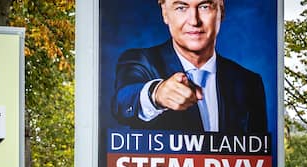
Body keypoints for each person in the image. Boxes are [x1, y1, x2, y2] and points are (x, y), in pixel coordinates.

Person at [111, 0, 267, 133]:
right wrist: (156, 94)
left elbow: (258, 157)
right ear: (165, 12)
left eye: (204, 6)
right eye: (181, 8)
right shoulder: (139, 61)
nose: (194, 21)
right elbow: (123, 101)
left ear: (221, 10)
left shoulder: (249, 82)